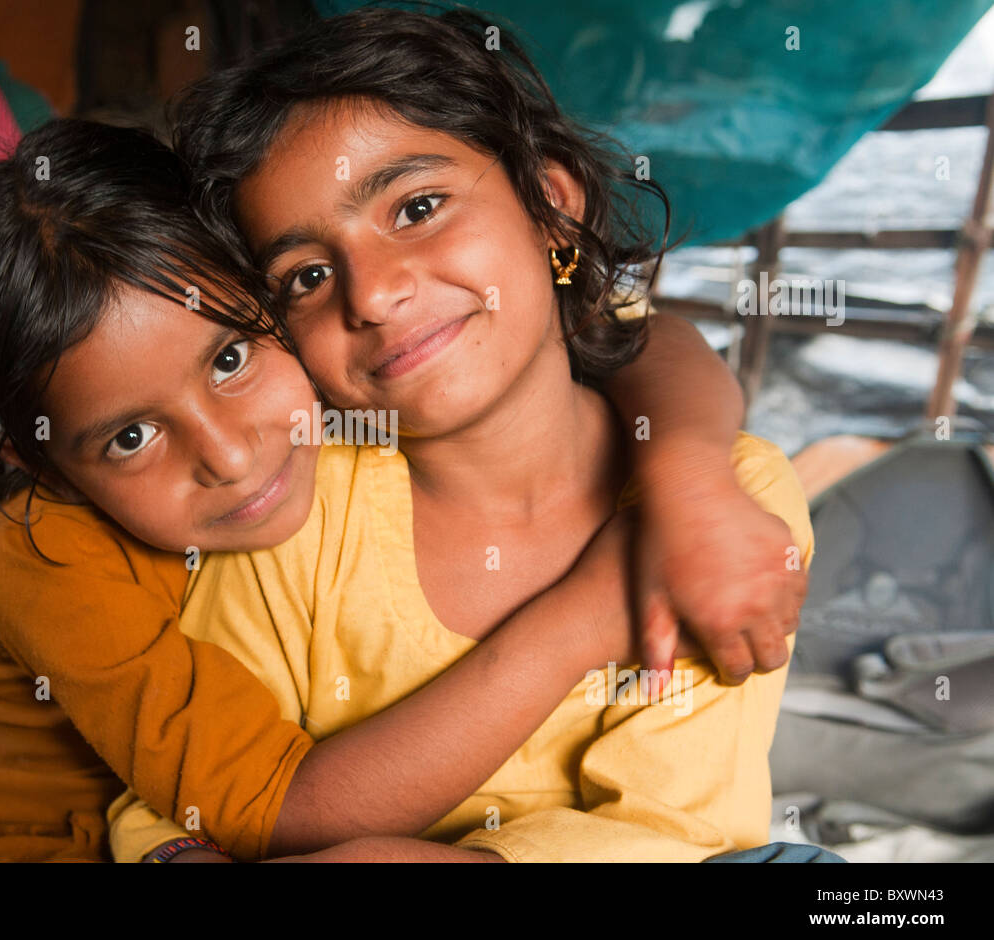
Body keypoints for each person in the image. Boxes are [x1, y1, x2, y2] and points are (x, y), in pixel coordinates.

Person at [0, 109, 799, 862]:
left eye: (231, 359)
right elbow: (280, 810)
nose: (228, 455)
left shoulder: (362, 414)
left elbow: (620, 330)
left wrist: (691, 469)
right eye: (130, 436)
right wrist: (585, 612)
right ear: (36, 457)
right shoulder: (56, 557)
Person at [109, 8, 830, 862]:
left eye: (416, 207)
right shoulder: (292, 514)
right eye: (306, 274)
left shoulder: (727, 509)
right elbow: (187, 796)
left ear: (551, 208)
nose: (371, 293)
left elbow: (675, 834)